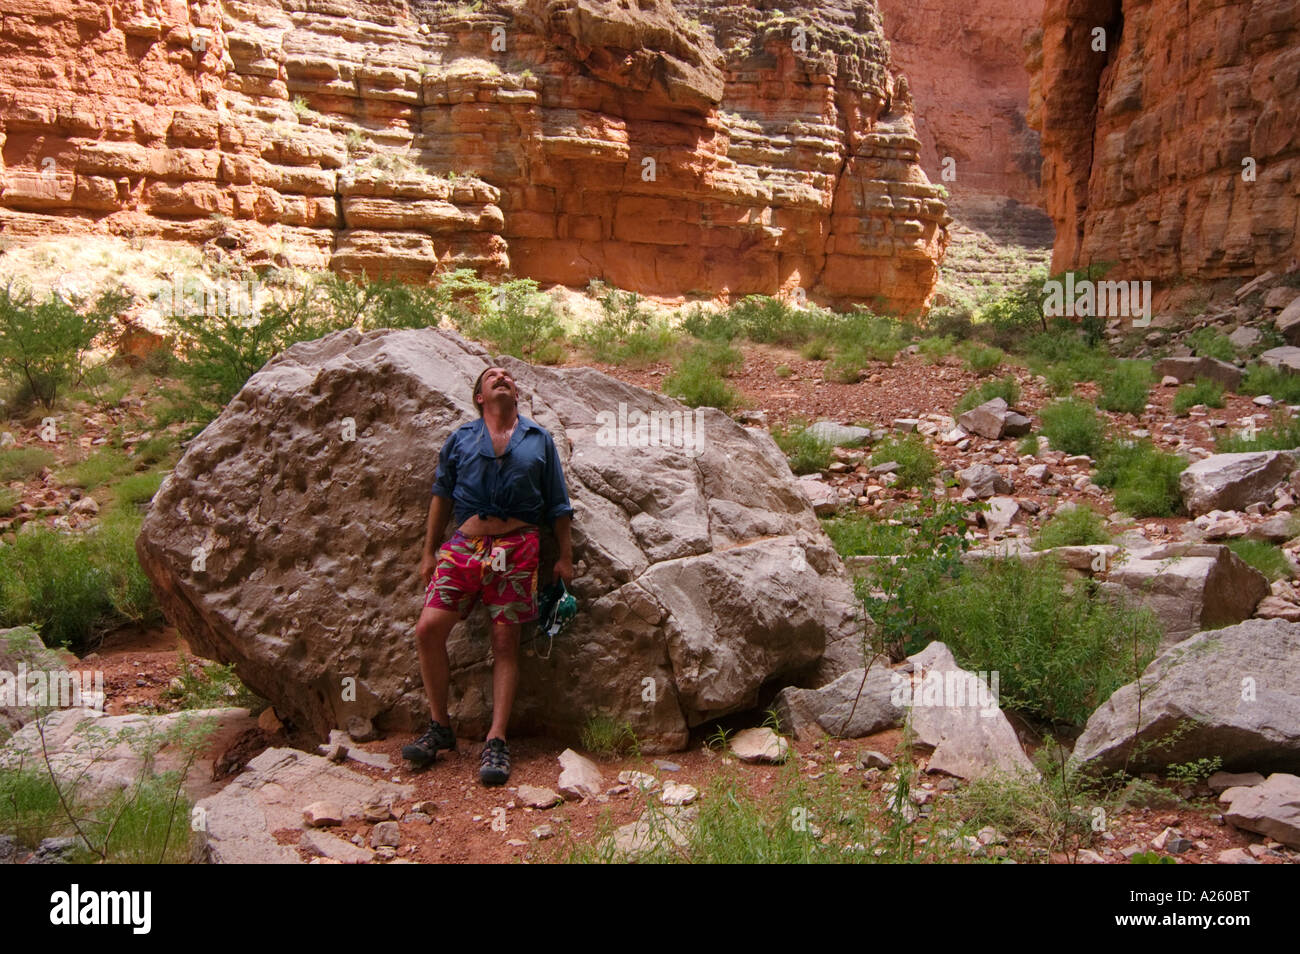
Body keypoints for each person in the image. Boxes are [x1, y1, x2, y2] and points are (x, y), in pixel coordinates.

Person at [403, 365, 574, 785]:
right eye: (491, 375)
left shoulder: (539, 439)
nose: (502, 376)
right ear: (479, 397)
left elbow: (558, 502)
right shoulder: (461, 438)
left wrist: (565, 556)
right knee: (428, 629)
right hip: (464, 546)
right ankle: (440, 727)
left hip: (518, 547)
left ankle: (496, 739)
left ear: (515, 392)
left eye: (507, 375)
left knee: (505, 641)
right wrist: (428, 552)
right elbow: (441, 494)